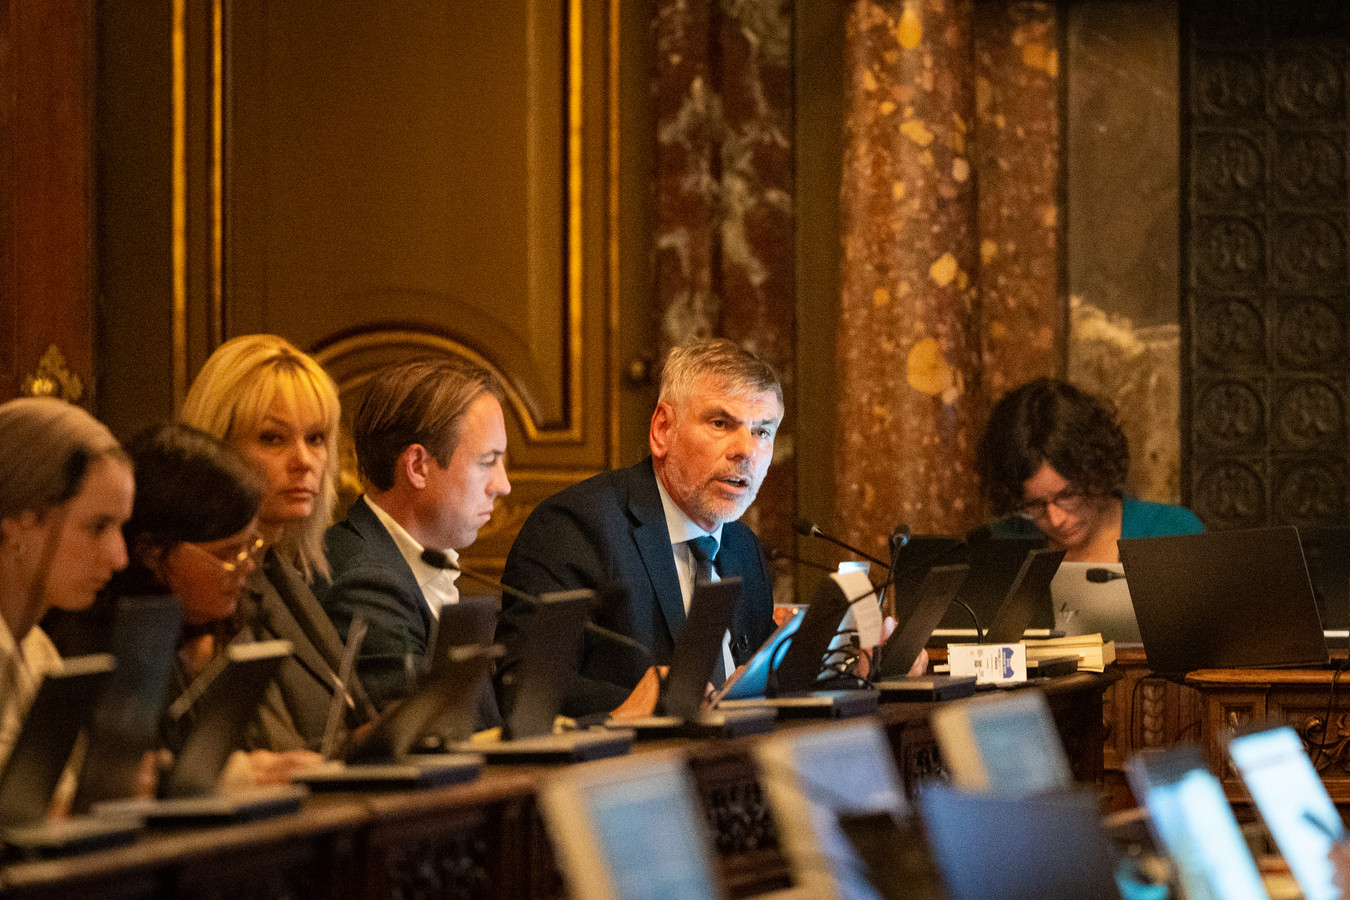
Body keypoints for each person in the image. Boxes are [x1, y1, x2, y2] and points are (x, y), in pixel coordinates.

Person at [496, 339, 781, 719]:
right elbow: (525, 688)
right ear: (662, 429)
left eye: (762, 432)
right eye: (720, 423)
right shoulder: (576, 528)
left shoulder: (744, 549)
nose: (746, 449)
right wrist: (643, 703)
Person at [179, 334, 376, 749]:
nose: (303, 461)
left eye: (315, 438)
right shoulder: (207, 588)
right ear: (217, 446)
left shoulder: (278, 569)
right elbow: (261, 751)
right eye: (273, 438)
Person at [111, 423, 329, 782]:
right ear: (150, 553)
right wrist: (242, 774)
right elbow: (121, 779)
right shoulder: (113, 643)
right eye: (227, 553)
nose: (247, 566)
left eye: (250, 546)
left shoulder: (230, 625)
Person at [321, 357, 510, 730]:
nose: (502, 485)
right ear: (418, 466)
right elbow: (417, 742)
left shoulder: (423, 563)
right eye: (487, 462)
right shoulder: (366, 582)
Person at [0, 397, 134, 771]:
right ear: (18, 524)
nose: (119, 558)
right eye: (97, 527)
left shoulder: (38, 651)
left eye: (120, 527)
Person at [976, 378, 1203, 562]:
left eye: (1067, 495)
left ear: (1096, 472)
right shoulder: (1005, 543)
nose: (1056, 520)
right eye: (1034, 504)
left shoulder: (1172, 532)